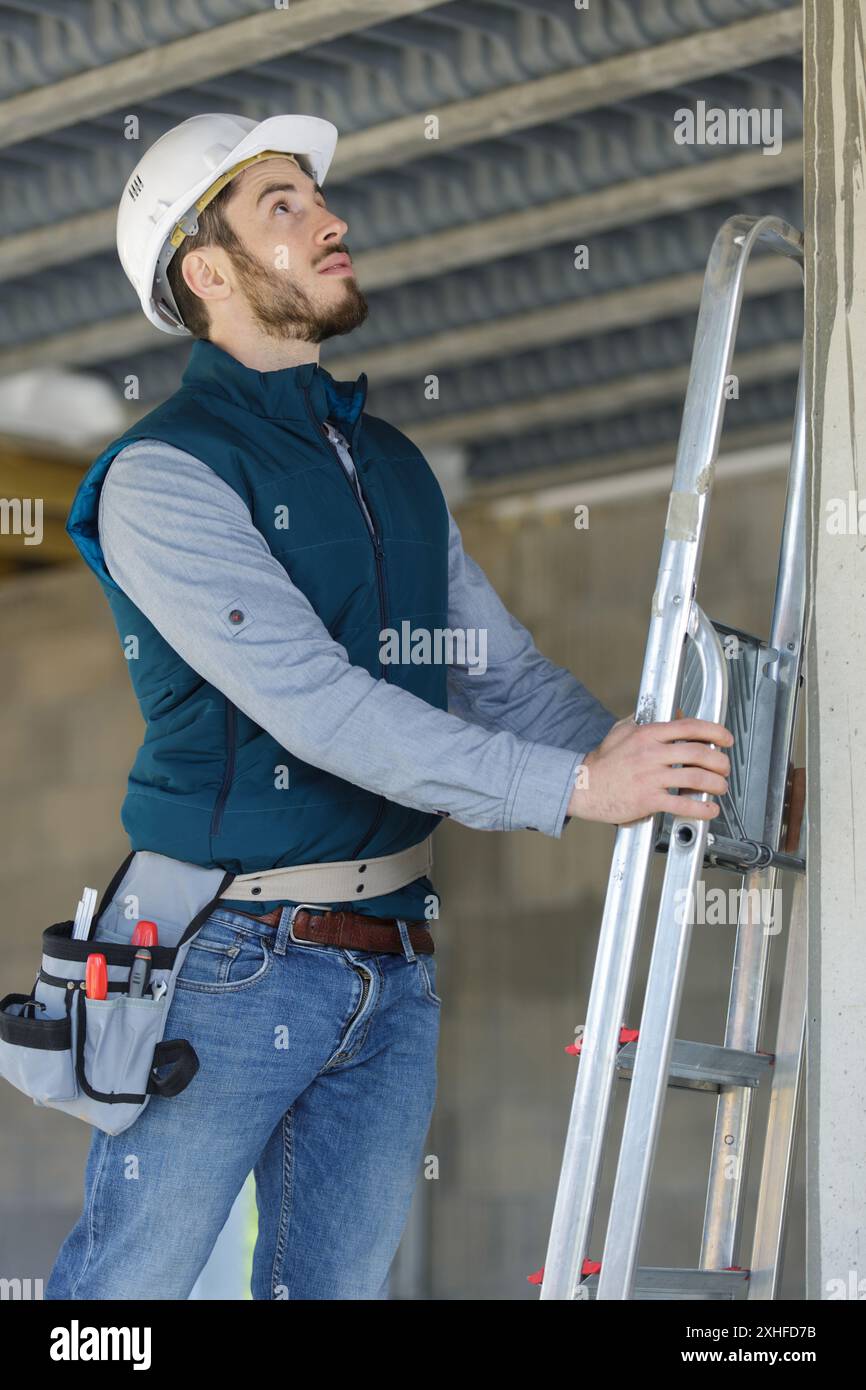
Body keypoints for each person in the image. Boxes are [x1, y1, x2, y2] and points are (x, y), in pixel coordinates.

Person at [46, 113, 732, 1301]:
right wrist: (576, 791)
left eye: (316, 197)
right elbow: (320, 708)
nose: (330, 219)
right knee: (124, 1300)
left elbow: (497, 673)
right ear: (206, 271)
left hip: (395, 958)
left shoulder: (389, 464)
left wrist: (645, 763)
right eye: (281, 204)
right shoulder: (167, 475)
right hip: (224, 958)